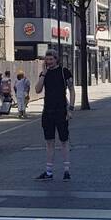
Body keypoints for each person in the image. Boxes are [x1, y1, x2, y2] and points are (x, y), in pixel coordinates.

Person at [36, 49, 74, 181]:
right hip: (48, 111)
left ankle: (67, 171)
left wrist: (71, 109)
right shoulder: (44, 74)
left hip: (61, 111)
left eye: (51, 59)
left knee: (64, 141)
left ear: (56, 59)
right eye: (47, 60)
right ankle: (49, 171)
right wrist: (43, 74)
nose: (49, 62)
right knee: (49, 142)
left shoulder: (64, 72)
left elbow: (72, 90)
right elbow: (37, 89)